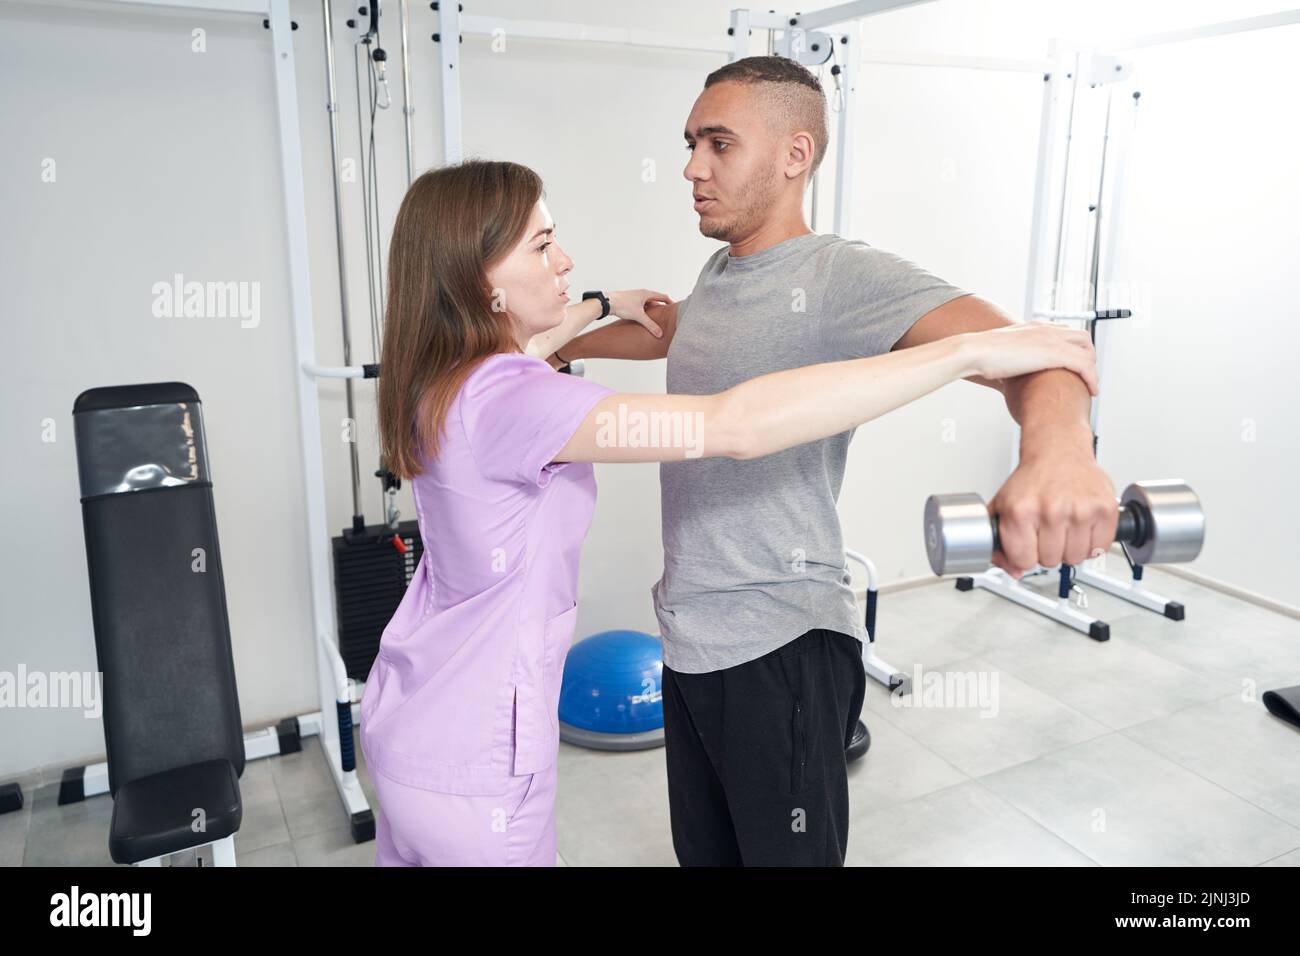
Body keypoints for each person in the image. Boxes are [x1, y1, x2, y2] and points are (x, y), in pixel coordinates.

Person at [357, 158, 1097, 867]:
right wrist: (966, 353)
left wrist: (603, 305)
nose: (565, 259)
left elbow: (533, 337)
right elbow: (734, 425)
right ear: (478, 279)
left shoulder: (441, 375)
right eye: (543, 244)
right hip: (478, 767)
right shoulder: (518, 399)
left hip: (410, 721)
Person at [553, 55, 1120, 866]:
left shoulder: (841, 276)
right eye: (690, 144)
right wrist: (555, 345)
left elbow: (1033, 355)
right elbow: (680, 331)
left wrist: (1059, 452)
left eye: (718, 144)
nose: (691, 167)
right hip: (689, 634)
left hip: (780, 644)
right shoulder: (724, 269)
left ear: (796, 155)